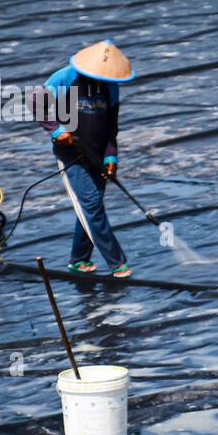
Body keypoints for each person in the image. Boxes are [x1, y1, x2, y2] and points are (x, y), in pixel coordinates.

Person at [31, 40, 135, 278]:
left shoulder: (111, 88)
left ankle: (79, 260)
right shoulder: (66, 77)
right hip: (72, 155)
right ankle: (117, 262)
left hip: (97, 155)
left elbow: (111, 128)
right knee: (92, 205)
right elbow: (36, 100)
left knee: (89, 207)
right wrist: (56, 131)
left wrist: (111, 157)